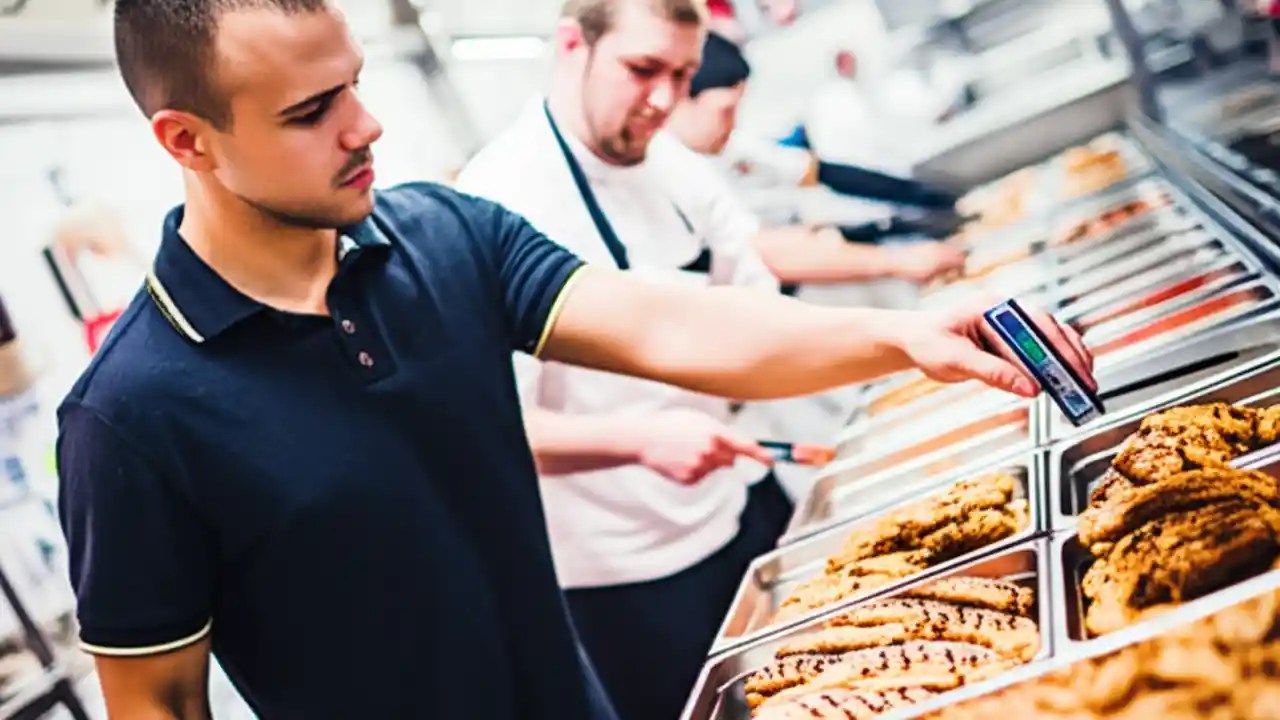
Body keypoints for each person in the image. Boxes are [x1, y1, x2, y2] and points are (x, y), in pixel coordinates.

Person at [57, 2, 1092, 719]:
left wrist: (905, 333)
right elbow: (157, 701)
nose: (364, 125)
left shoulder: (445, 236)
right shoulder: (132, 419)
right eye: (309, 112)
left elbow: (675, 328)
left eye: (354, 88)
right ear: (187, 140)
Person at [452, 4, 1046, 719]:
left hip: (739, 510)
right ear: (573, 43)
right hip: (627, 574)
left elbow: (759, 318)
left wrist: (904, 334)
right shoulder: (495, 203)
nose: (665, 100)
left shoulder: (670, 161)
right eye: (642, 70)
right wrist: (638, 439)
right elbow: (484, 426)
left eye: (683, 74)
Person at [666, 32, 967, 238]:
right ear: (678, 99)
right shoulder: (673, 177)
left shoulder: (734, 146)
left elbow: (823, 172)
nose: (732, 124)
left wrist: (927, 197)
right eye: (725, 110)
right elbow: (772, 253)